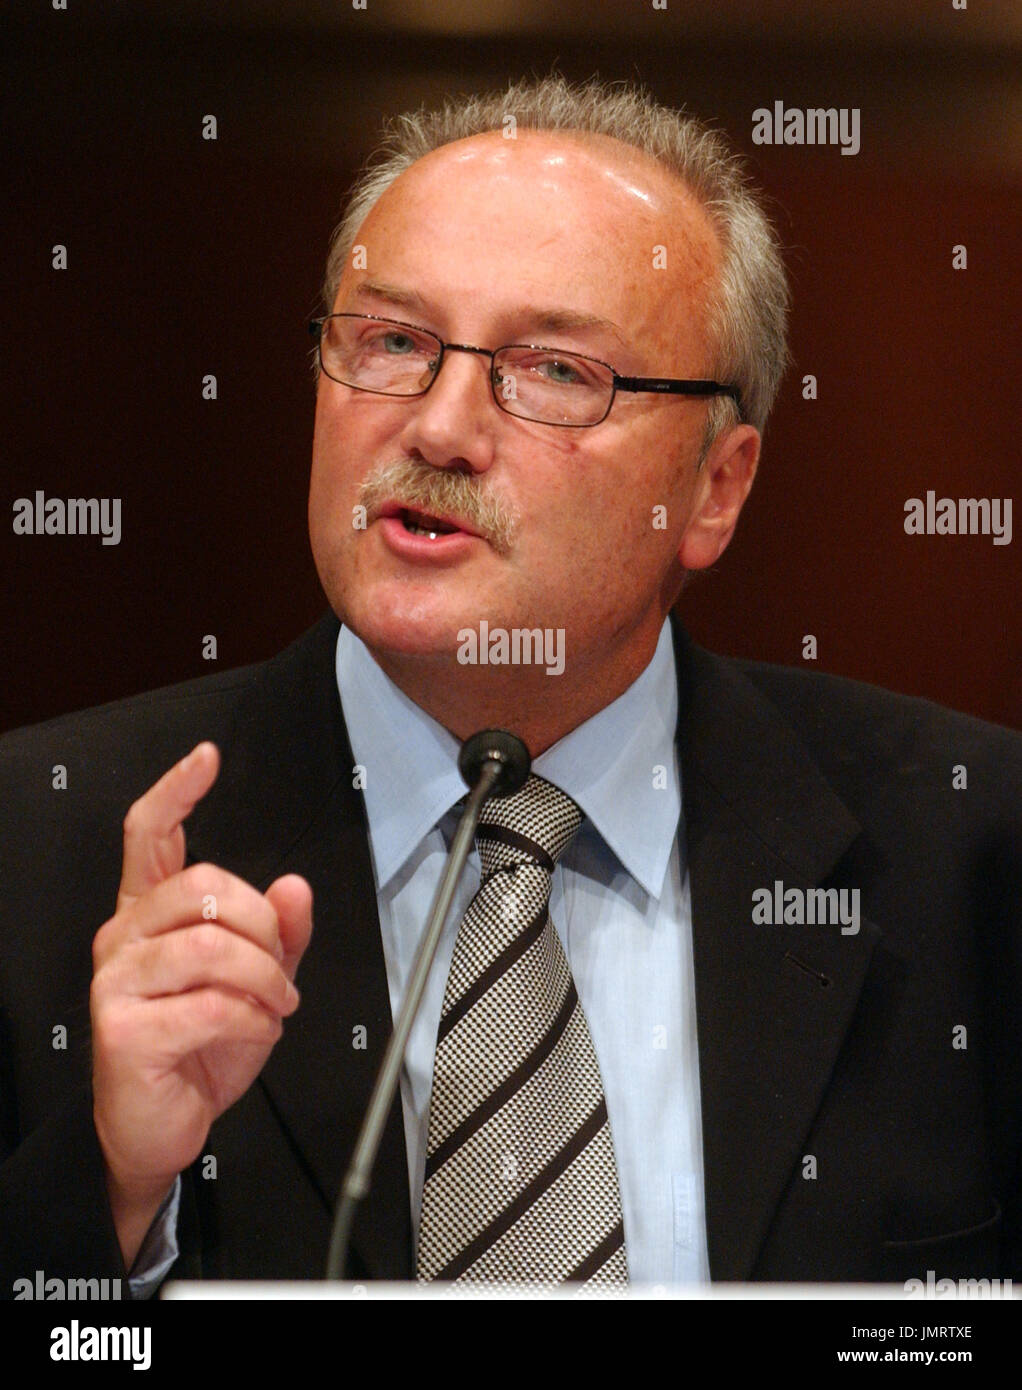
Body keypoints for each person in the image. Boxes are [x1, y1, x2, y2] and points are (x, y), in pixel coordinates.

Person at [1, 75, 1018, 1295]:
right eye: (390, 342)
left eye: (550, 370)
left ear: (715, 487)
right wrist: (113, 1186)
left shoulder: (967, 853)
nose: (436, 428)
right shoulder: (38, 847)